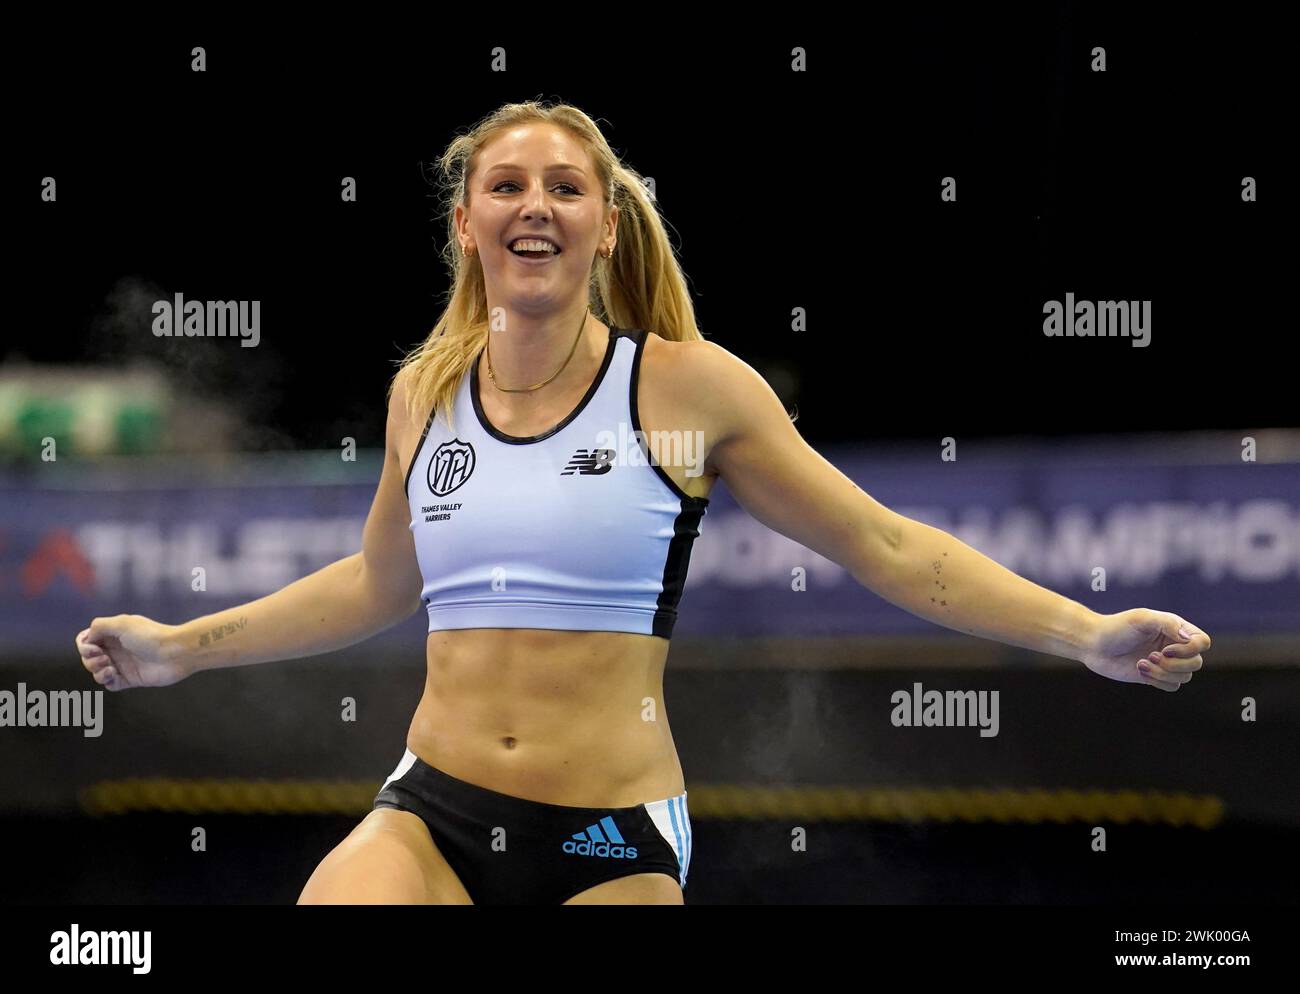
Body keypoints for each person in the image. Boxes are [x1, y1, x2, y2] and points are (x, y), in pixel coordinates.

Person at [74, 100, 1211, 905]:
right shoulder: (423, 393)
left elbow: (887, 545)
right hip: (435, 812)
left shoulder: (683, 388)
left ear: (604, 226)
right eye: (506, 186)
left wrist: (1088, 631)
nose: (536, 206)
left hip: (609, 838)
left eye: (566, 188)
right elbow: (378, 583)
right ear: (465, 226)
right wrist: (181, 645)